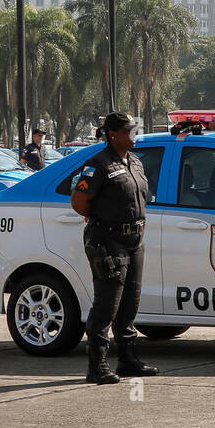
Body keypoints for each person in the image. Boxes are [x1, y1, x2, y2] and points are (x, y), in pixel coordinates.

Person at [72, 112, 157, 384]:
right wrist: (99, 218)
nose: (134, 136)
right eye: (128, 131)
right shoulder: (97, 164)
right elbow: (79, 202)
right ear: (113, 135)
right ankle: (97, 366)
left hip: (136, 241)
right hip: (108, 240)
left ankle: (128, 360)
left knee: (129, 303)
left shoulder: (135, 162)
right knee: (107, 305)